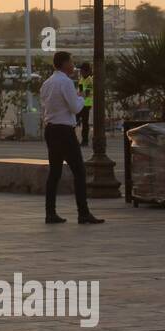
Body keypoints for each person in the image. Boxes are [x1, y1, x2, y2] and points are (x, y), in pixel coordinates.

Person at [40, 51, 103, 225]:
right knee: (79, 171)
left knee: (55, 173)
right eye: (71, 61)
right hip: (64, 131)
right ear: (64, 63)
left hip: (51, 130)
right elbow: (75, 108)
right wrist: (81, 98)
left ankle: (50, 213)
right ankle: (83, 213)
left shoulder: (47, 83)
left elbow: (44, 105)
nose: (73, 65)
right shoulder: (66, 82)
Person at [77, 61, 93, 146]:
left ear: (87, 71)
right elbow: (80, 91)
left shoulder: (90, 80)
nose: (80, 72)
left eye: (82, 70)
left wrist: (80, 94)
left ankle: (85, 140)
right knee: (75, 121)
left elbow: (86, 93)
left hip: (86, 104)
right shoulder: (81, 79)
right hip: (80, 103)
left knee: (85, 123)